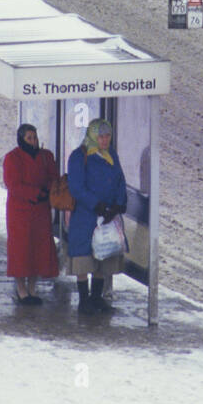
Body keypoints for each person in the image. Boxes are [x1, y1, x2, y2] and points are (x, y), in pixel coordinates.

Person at [66, 119, 127, 314]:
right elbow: (76, 187)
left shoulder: (111, 155)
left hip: (107, 216)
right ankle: (84, 300)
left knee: (104, 255)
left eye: (107, 135)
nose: (104, 140)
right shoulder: (79, 156)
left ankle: (96, 297)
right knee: (84, 257)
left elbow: (120, 180)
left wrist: (117, 205)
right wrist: (96, 205)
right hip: (86, 216)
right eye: (100, 136)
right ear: (92, 136)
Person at [2, 124, 59, 305]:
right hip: (20, 213)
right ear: (21, 139)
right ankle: (21, 289)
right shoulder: (12, 158)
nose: (33, 141)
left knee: (38, 249)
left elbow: (54, 178)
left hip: (41, 211)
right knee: (21, 250)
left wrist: (47, 190)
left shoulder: (46, 156)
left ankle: (32, 289)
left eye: (34, 137)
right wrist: (36, 193)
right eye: (29, 138)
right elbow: (13, 184)